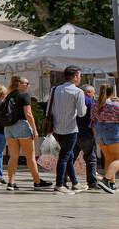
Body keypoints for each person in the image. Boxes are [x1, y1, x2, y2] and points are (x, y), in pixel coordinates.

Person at [3, 75, 51, 192]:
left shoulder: (9, 96)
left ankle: (11, 183)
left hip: (9, 128)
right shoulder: (24, 95)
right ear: (19, 84)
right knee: (30, 156)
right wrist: (34, 129)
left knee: (13, 156)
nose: (28, 85)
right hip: (22, 126)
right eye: (26, 83)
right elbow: (28, 114)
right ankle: (37, 181)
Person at [45, 66, 88, 195]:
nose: (80, 78)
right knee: (64, 157)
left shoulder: (55, 89)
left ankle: (75, 183)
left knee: (68, 156)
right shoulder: (78, 92)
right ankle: (59, 184)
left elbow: (48, 110)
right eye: (79, 76)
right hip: (70, 128)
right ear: (75, 77)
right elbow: (81, 113)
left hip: (57, 128)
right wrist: (85, 105)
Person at [91, 84, 119, 194]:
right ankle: (106, 180)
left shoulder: (95, 105)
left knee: (109, 159)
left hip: (99, 132)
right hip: (113, 131)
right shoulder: (116, 105)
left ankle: (111, 184)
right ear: (112, 93)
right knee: (117, 160)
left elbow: (92, 120)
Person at [76, 84, 99, 191]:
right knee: (91, 158)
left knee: (70, 158)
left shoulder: (75, 100)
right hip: (86, 133)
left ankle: (63, 180)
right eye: (93, 93)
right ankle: (92, 183)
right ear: (89, 92)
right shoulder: (90, 102)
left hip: (73, 132)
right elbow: (94, 118)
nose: (94, 95)